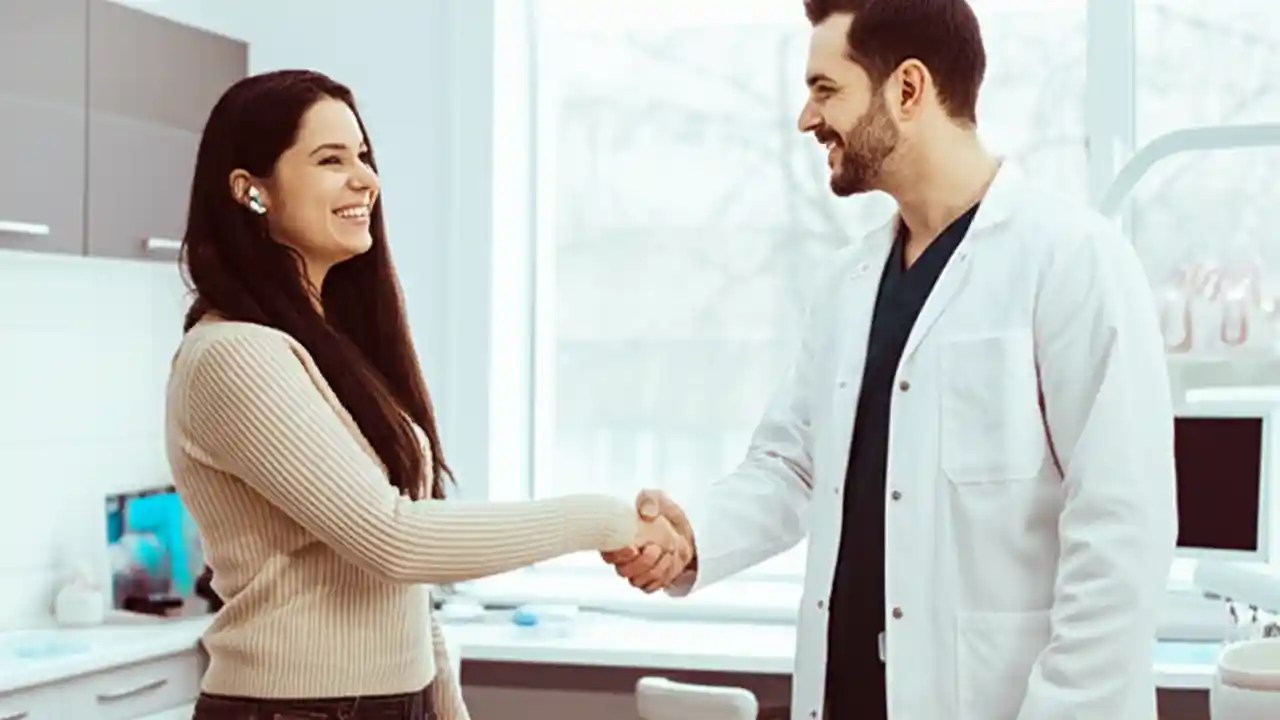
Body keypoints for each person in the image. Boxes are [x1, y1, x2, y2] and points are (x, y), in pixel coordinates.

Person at [603, 1, 1178, 719]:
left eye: (825, 89)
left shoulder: (1072, 262)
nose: (807, 120)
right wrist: (694, 536)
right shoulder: (848, 285)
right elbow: (793, 465)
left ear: (907, 90)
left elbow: (1121, 534)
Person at [167, 69, 681, 720]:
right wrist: (605, 518)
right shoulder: (234, 355)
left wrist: (442, 700)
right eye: (330, 159)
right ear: (250, 191)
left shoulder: (333, 350)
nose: (365, 180)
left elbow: (395, 580)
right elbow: (394, 539)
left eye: (363, 155)